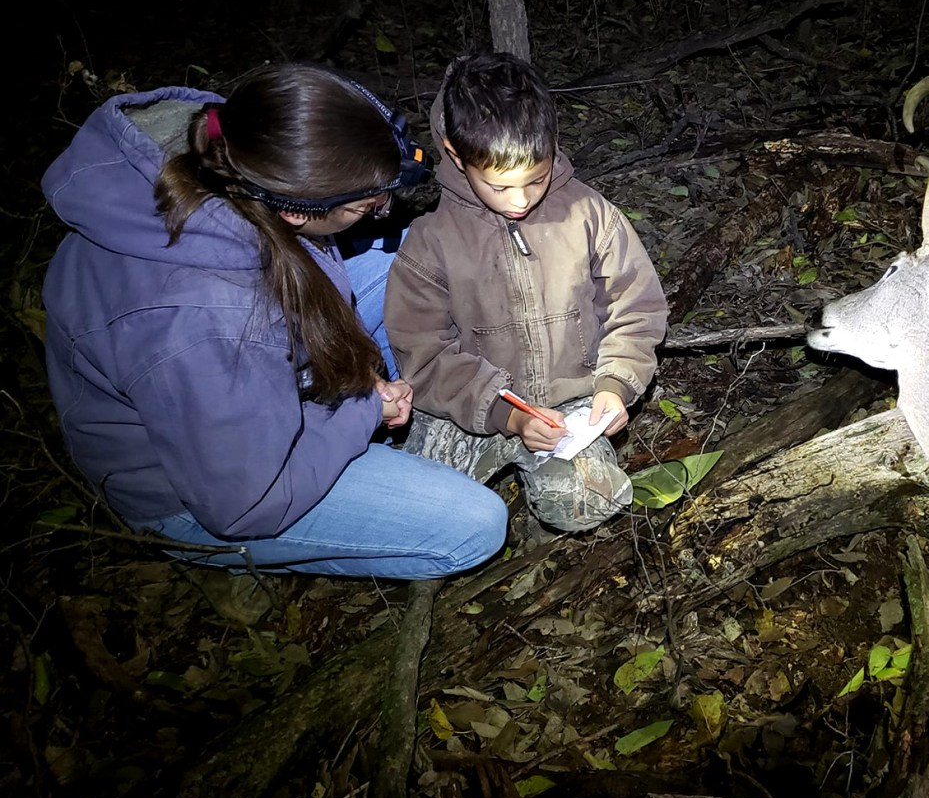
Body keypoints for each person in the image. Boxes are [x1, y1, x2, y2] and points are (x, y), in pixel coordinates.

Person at [42, 63, 509, 598]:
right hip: (216, 490)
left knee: (413, 261)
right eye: (365, 205)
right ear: (295, 213)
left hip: (228, 386)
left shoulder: (238, 147)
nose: (381, 210)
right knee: (475, 526)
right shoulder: (205, 318)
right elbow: (246, 500)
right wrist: (361, 412)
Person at [385, 50, 668, 533]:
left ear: (553, 146)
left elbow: (636, 307)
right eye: (499, 187)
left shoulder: (589, 215)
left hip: (569, 410)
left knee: (595, 502)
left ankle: (541, 500)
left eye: (536, 180)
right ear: (456, 155)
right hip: (471, 407)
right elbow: (424, 355)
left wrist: (615, 384)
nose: (520, 200)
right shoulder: (431, 241)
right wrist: (508, 414)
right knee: (414, 517)